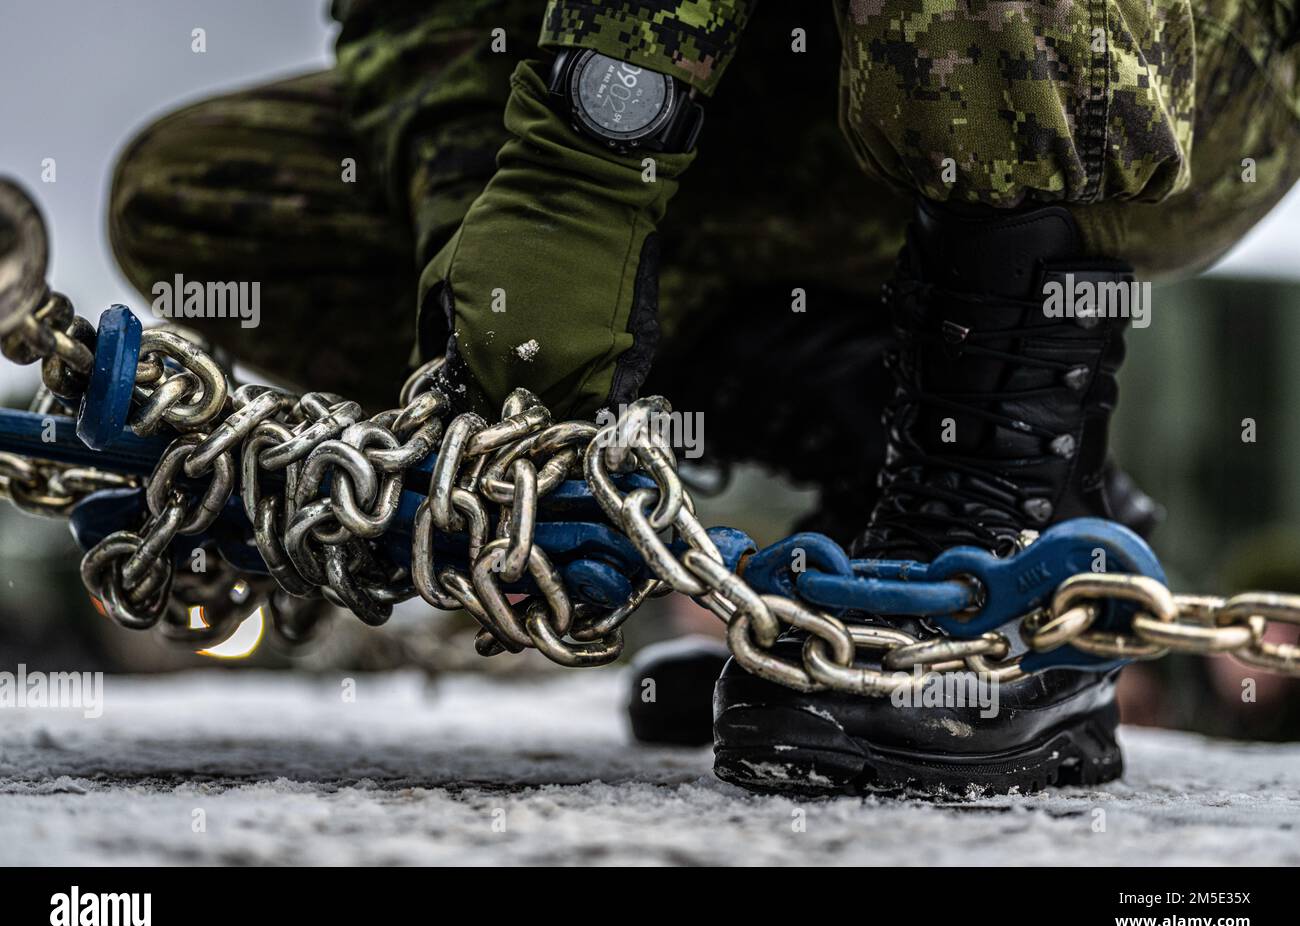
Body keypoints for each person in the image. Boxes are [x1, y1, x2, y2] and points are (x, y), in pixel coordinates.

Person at [109, 0, 1300, 793]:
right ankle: (876, 467)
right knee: (200, 198)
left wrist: (589, 148)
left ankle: (997, 512)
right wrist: (494, 204)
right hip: (761, 105)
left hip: (1139, 69)